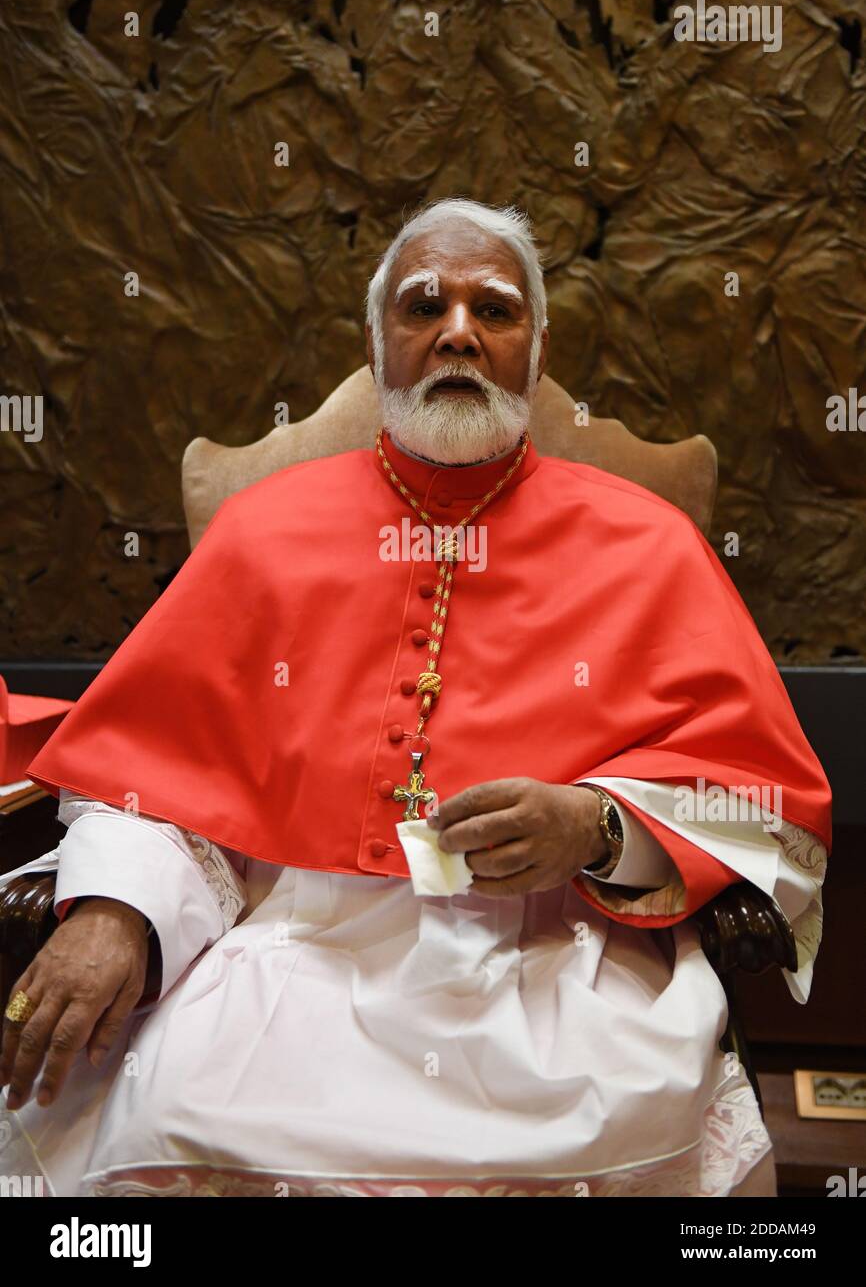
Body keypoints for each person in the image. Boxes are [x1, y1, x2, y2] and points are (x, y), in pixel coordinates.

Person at [0, 198, 830, 1197]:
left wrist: (599, 827)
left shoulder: (648, 544)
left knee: (603, 1124)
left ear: (533, 346)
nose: (458, 331)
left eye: (495, 309)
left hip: (554, 962)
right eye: (422, 304)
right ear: (376, 340)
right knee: (167, 1110)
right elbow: (148, 768)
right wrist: (113, 909)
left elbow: (755, 798)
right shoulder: (265, 531)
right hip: (297, 943)